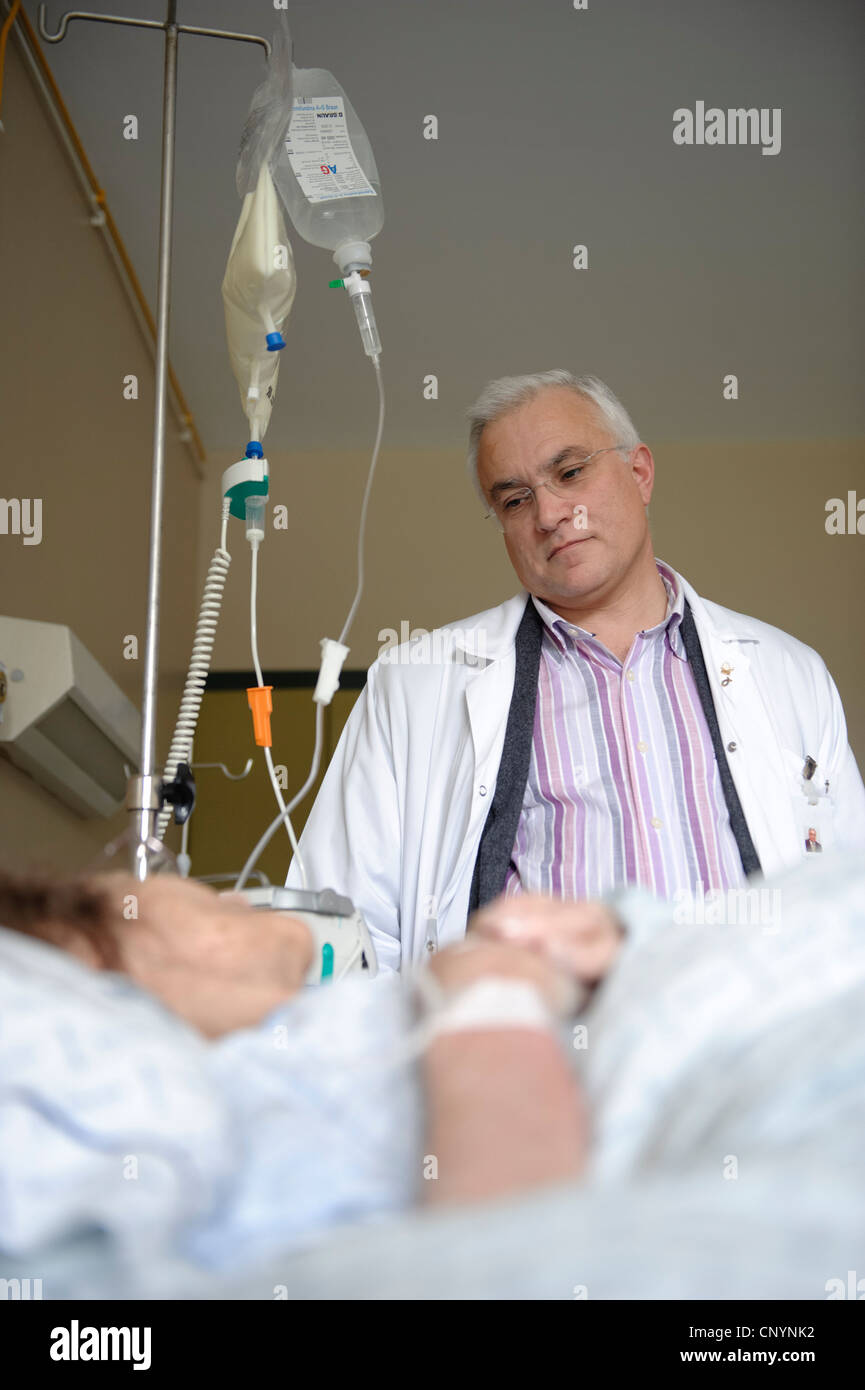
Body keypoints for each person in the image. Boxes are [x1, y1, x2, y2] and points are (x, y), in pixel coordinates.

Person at [288, 370, 865, 970]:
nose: (550, 514)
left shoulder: (788, 672)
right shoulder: (413, 684)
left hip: (751, 1047)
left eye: (569, 473)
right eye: (514, 499)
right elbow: (342, 933)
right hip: (537, 1052)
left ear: (639, 473)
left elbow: (850, 902)